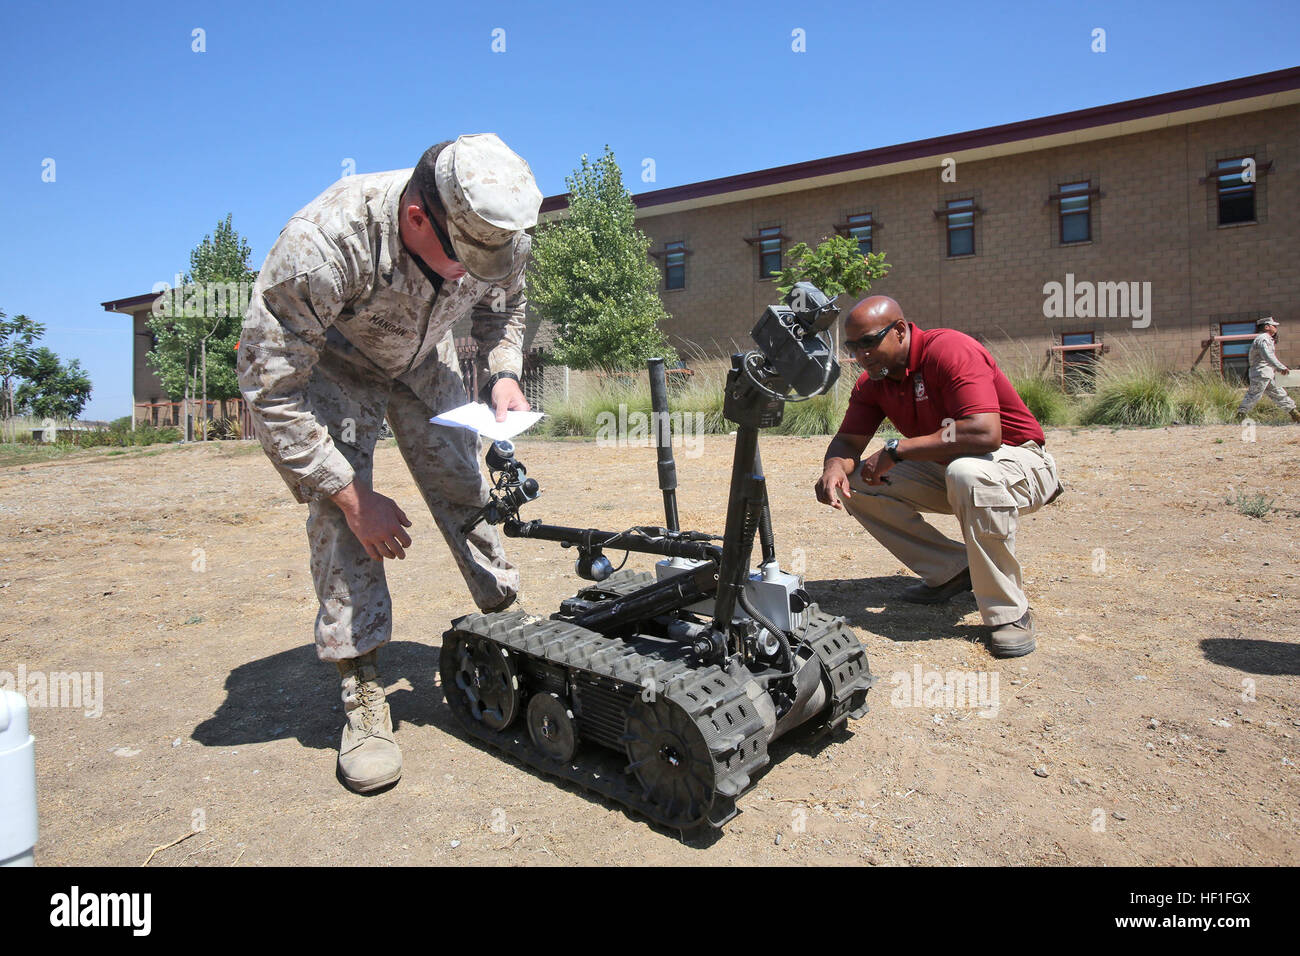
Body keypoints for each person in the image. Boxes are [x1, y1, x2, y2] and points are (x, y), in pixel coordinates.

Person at [237, 133, 542, 792]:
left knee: (464, 482)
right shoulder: (322, 245)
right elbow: (270, 392)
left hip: (423, 359)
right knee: (346, 520)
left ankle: (507, 623)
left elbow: (505, 307)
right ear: (415, 219)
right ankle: (362, 686)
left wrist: (504, 373)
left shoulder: (497, 229)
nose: (470, 272)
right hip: (336, 369)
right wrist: (350, 494)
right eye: (459, 261)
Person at [814, 296, 1061, 657]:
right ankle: (952, 571)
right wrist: (833, 467)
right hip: (954, 470)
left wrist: (898, 450)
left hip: (1020, 463)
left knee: (967, 471)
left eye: (869, 342)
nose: (861, 355)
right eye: (854, 346)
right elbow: (848, 441)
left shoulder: (950, 350)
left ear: (900, 331)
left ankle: (1009, 614)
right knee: (861, 483)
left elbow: (984, 432)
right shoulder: (874, 382)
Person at [1235, 317, 1299, 422]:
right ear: (1266, 327)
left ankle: (1295, 414)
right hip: (1261, 373)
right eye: (1274, 326)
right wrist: (1280, 367)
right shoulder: (1263, 338)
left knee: (1279, 394)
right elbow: (1267, 355)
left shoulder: (1265, 338)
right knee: (1253, 395)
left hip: (1266, 373)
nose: (1276, 328)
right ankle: (1239, 417)